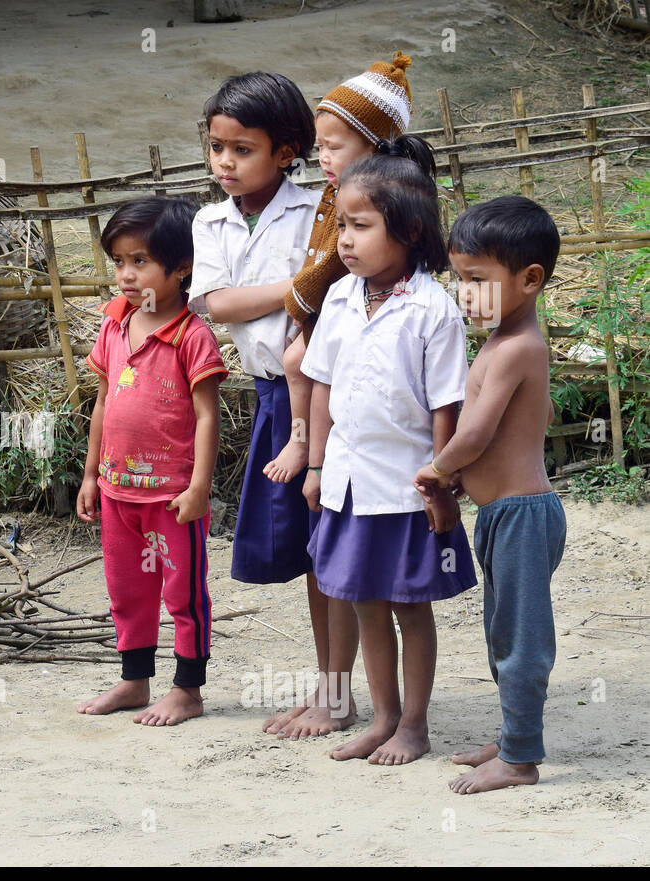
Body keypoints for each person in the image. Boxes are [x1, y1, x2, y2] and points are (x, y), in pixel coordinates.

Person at [189, 71, 357, 738]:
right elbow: (214, 302)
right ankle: (330, 688)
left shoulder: (319, 209)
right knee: (308, 552)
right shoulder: (209, 221)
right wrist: (297, 285)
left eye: (243, 150)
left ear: (287, 152)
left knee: (331, 545)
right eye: (216, 148)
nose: (226, 163)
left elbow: (331, 291)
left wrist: (289, 289)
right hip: (268, 395)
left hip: (322, 394)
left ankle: (338, 695)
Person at [301, 136, 478, 765]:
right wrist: (317, 465)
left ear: (405, 231)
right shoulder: (341, 299)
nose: (344, 239)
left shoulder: (434, 310)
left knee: (409, 606)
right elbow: (320, 388)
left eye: (360, 225)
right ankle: (381, 717)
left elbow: (445, 409)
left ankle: (415, 725)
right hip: (347, 483)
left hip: (405, 488)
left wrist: (439, 483)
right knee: (364, 602)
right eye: (341, 224)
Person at [261, 53, 415, 738]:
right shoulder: (339, 204)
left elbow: (320, 275)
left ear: (375, 149)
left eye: (333, 145)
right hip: (325, 399)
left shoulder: (389, 236)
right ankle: (336, 692)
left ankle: (368, 706)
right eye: (319, 146)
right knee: (323, 560)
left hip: (362, 428)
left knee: (363, 574)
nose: (321, 158)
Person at [413, 196, 566, 793]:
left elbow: (474, 434)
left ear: (530, 280)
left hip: (523, 516)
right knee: (501, 631)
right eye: (460, 280)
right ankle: (510, 737)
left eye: (478, 280)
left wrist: (437, 469)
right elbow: (534, 415)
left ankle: (522, 758)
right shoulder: (503, 346)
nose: (465, 294)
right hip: (502, 514)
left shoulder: (519, 347)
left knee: (523, 639)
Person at [77, 196, 228, 726]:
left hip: (172, 496)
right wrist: (91, 473)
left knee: (181, 593)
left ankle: (187, 689)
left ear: (181, 267)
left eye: (140, 261)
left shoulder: (192, 335)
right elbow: (101, 402)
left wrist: (199, 487)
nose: (126, 274)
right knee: (127, 590)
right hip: (118, 492)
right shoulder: (114, 325)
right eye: (119, 261)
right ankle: (134, 680)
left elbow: (207, 417)